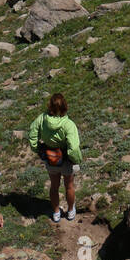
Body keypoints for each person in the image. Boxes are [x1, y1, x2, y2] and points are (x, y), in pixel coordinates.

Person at [28, 92, 82, 224]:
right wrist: (76, 159)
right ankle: (70, 211)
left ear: (50, 106)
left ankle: (56, 212)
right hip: (65, 160)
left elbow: (32, 135)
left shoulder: (41, 119)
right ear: (65, 106)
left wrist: (38, 150)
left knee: (54, 186)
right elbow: (74, 148)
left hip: (51, 158)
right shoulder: (68, 124)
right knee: (69, 186)